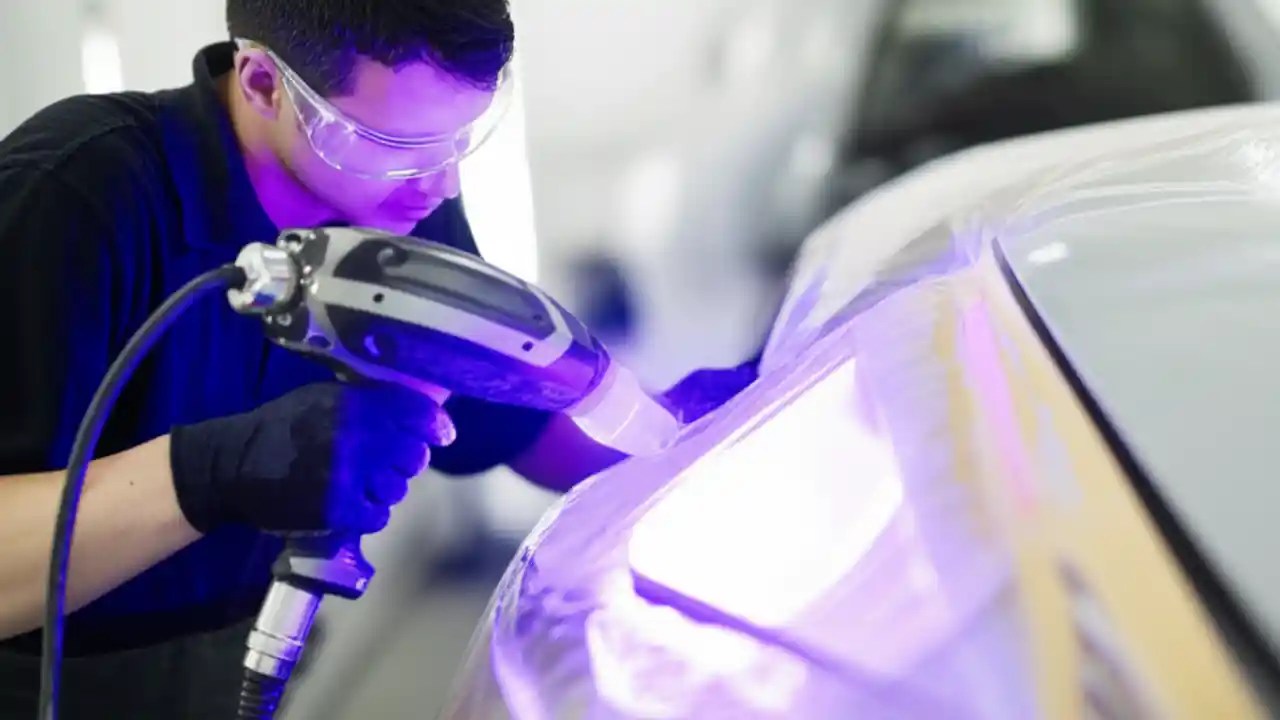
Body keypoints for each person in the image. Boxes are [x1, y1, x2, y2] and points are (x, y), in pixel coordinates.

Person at [0, 1, 756, 716]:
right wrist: (211, 472)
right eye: (400, 147)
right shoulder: (79, 191)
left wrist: (687, 442)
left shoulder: (399, 194)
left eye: (459, 141)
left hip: (230, 659)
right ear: (264, 82)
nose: (442, 182)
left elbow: (517, 420)